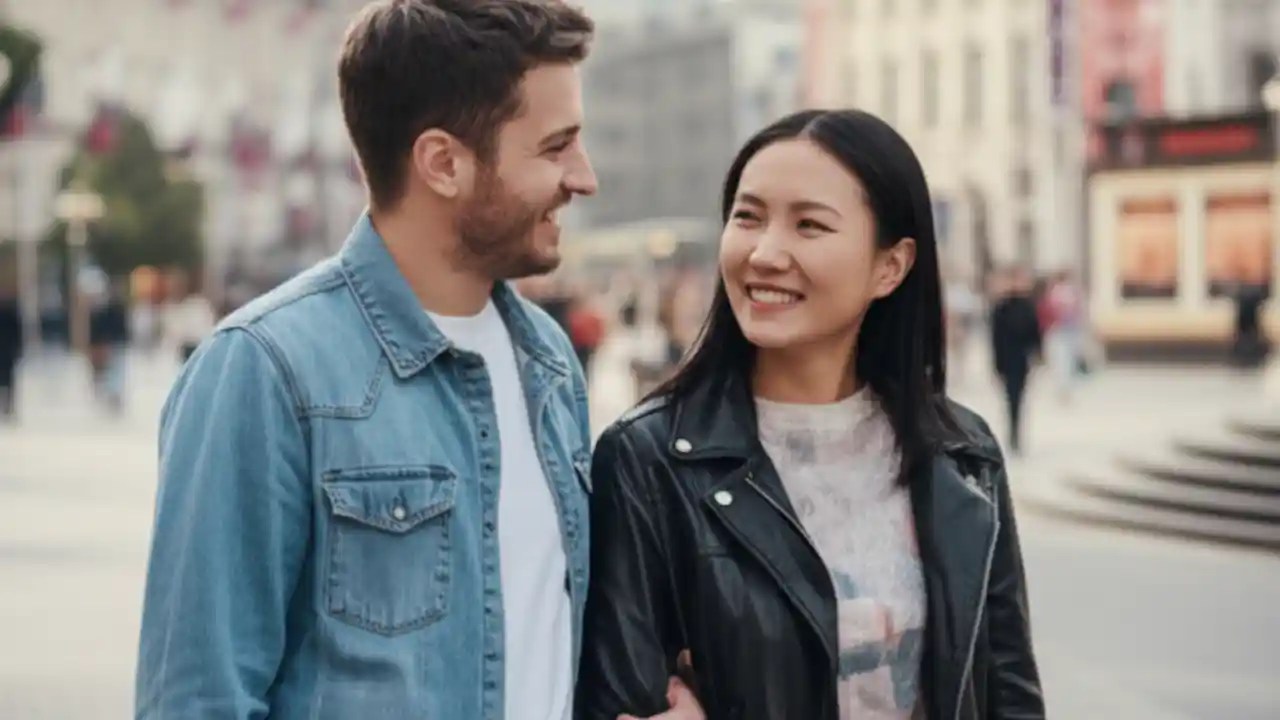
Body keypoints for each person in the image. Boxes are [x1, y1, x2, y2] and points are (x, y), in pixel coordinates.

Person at [135, 3, 700, 719]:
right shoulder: (265, 369)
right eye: (555, 147)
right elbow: (196, 699)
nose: (583, 177)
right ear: (443, 163)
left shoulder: (549, 361)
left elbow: (538, 654)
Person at [577, 109, 1044, 720]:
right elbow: (624, 698)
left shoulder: (962, 453)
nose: (765, 253)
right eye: (748, 217)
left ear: (891, 266)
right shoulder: (649, 461)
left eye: (809, 225)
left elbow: (1008, 692)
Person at [990, 267, 1042, 454]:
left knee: (1018, 397)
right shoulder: (1001, 308)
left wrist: (1037, 354)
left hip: (1021, 360)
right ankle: (1013, 433)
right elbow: (995, 338)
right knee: (1010, 398)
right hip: (1007, 359)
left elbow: (1035, 333)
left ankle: (1016, 434)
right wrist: (996, 363)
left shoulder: (1028, 307)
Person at [0, 288, 22, 420]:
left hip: (7, 351)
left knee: (9, 380)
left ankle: (8, 405)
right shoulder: (11, 313)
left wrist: (17, 349)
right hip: (7, 351)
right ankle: (7, 405)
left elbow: (17, 333)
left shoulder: (11, 313)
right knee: (8, 380)